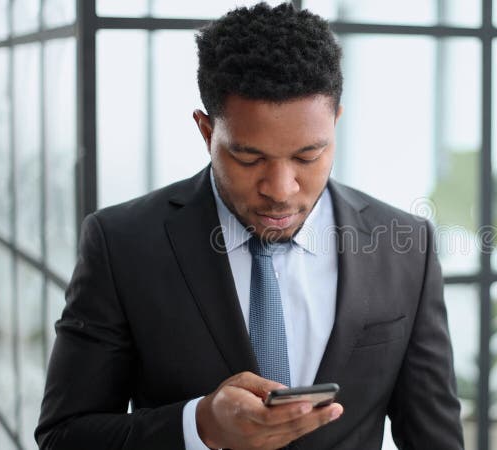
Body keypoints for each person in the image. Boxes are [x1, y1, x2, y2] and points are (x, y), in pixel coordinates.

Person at [35, 3, 462, 449]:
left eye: (307, 156)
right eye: (249, 157)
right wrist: (199, 425)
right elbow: (63, 436)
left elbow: (435, 439)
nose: (280, 189)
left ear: (335, 122)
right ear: (206, 131)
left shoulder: (407, 247)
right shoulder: (121, 244)